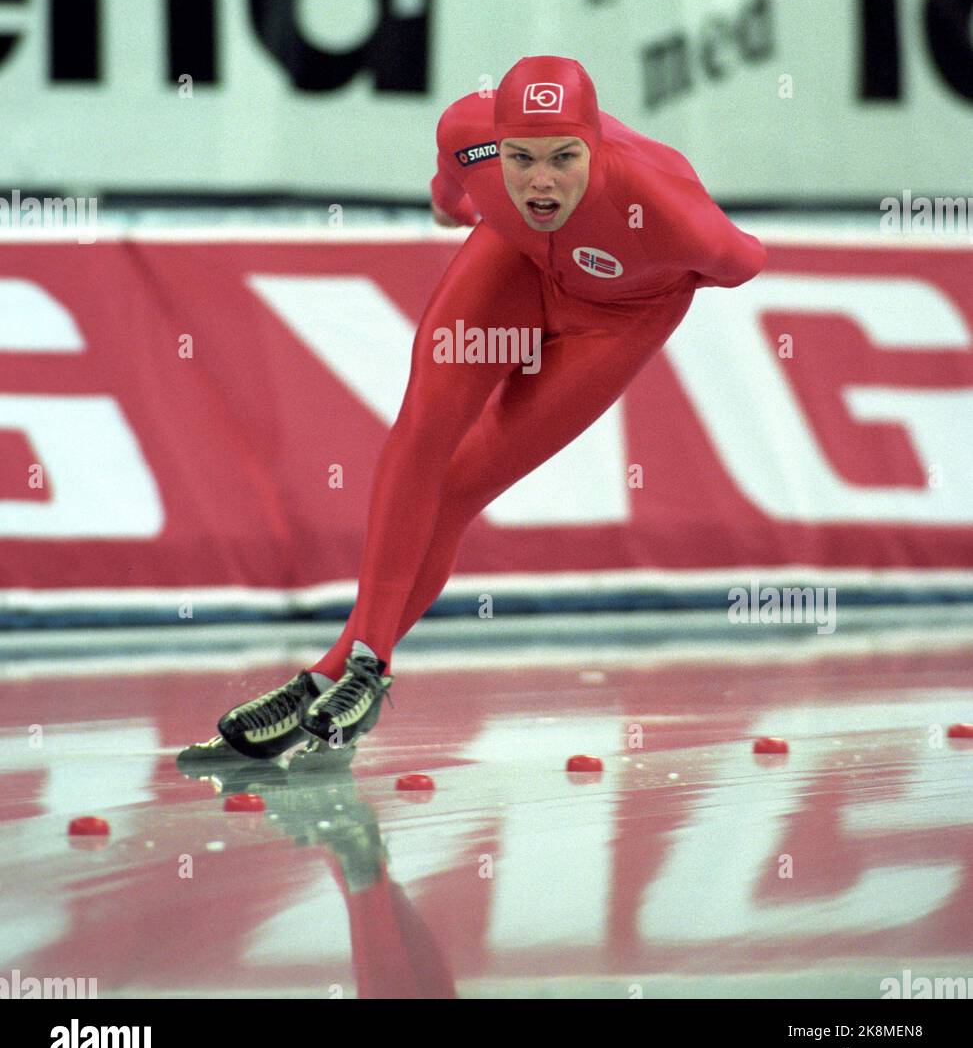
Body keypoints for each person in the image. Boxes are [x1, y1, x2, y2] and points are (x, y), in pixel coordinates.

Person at [180, 56, 766, 768]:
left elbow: (741, 262)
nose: (541, 182)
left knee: (459, 487)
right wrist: (461, 210)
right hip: (515, 269)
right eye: (520, 158)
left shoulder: (667, 206)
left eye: (563, 159)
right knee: (422, 431)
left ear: (596, 147)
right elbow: (450, 188)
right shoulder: (467, 131)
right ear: (496, 142)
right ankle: (364, 665)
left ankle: (338, 672)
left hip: (615, 321)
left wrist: (650, 281)